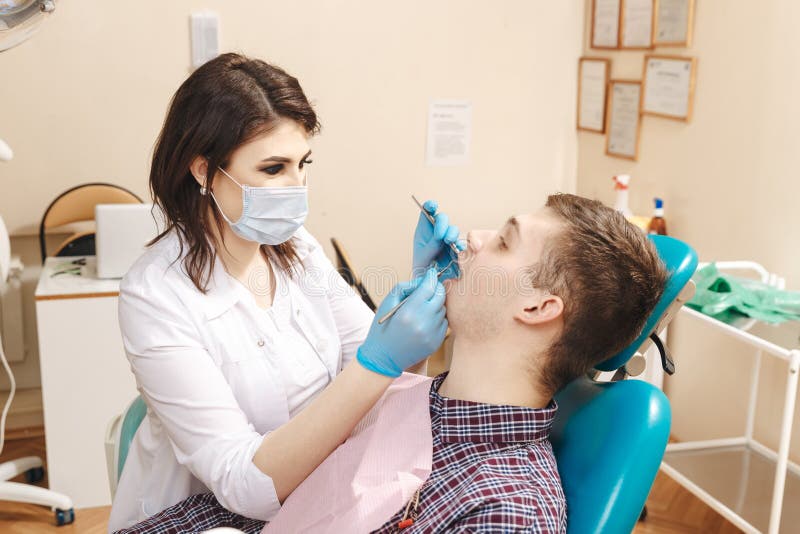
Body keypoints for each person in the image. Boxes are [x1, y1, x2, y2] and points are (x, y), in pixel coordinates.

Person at [114, 193, 668, 533]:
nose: (473, 237)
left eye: (502, 241)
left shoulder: (503, 511)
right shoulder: (421, 401)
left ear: (538, 307)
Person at [108, 52, 465, 532]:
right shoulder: (154, 295)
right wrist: (378, 361)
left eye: (303, 164)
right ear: (203, 171)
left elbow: (379, 393)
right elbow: (243, 484)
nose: (297, 187)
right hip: (205, 516)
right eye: (273, 169)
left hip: (315, 497)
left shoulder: (297, 249)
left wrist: (420, 294)